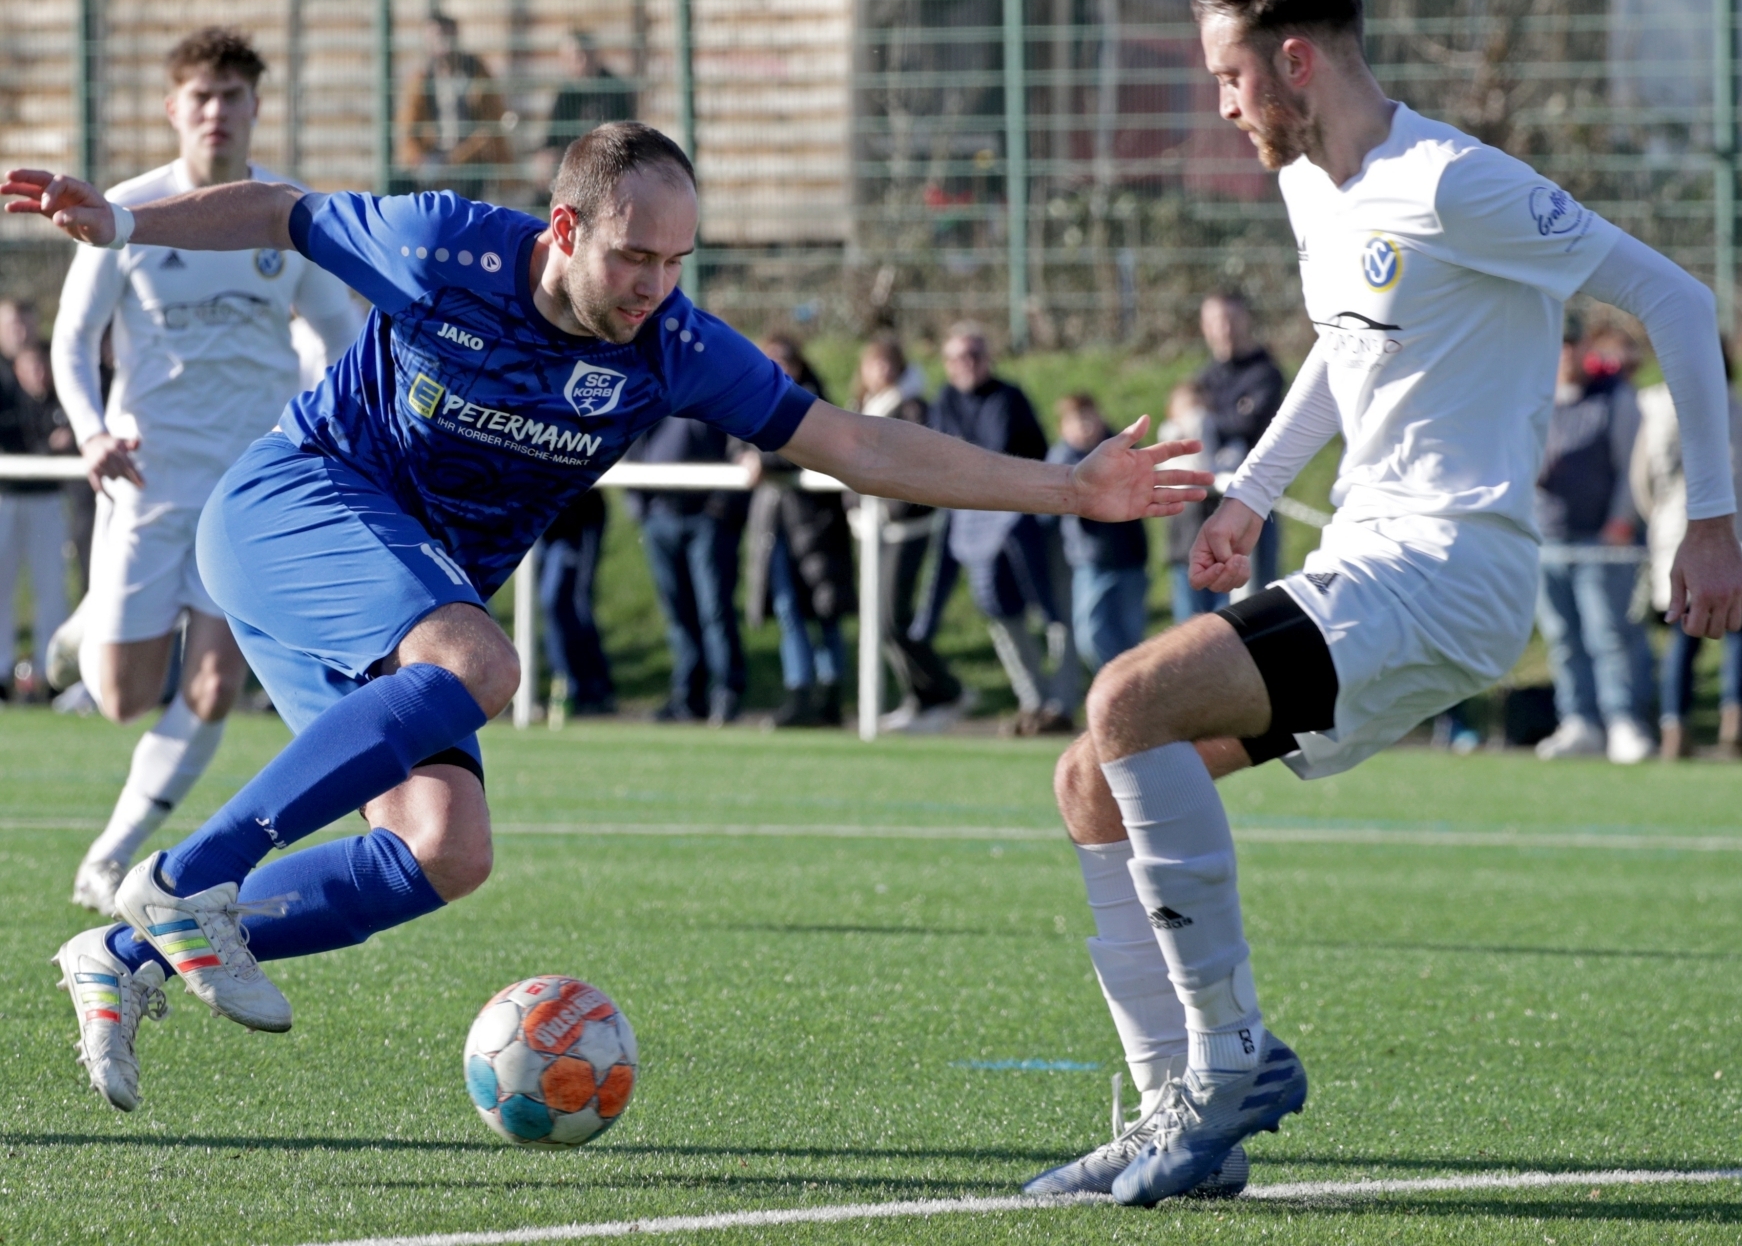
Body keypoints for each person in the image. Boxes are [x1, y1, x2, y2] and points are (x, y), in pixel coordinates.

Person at [9, 119, 1204, 1114]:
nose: (655, 286)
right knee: (481, 659)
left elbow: (852, 442)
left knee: (444, 851)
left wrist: (1065, 488)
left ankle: (117, 957)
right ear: (566, 231)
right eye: (636, 256)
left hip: (396, 596)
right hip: (294, 510)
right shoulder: (443, 248)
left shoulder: (671, 347)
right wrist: (121, 221)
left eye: (678, 261)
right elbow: (280, 210)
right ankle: (182, 883)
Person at [1026, 0, 1742, 1208]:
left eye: (1229, 75)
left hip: (1453, 566)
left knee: (1127, 701)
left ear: (1296, 59)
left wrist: (1712, 520)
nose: (1222, 103)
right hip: (1371, 553)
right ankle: (1176, 1115)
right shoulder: (1316, 181)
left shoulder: (1455, 179)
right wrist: (1249, 493)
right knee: (1093, 780)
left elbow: (1679, 300)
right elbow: (1342, 345)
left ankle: (1232, 1055)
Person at [47, 28, 360, 916]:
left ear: (256, 108)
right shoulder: (127, 211)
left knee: (217, 681)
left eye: (234, 95)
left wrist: (338, 435)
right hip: (147, 480)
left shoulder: (281, 216)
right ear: (172, 108)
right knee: (120, 697)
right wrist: (90, 430)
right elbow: (74, 341)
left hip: (250, 484)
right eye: (202, 96)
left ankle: (110, 856)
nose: (217, 111)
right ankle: (81, 632)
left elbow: (338, 338)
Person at [931, 324, 1082, 736]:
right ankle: (1031, 700)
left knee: (1056, 611)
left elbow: (988, 458)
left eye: (975, 355)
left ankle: (1062, 705)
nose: (969, 364)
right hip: (980, 527)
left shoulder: (1008, 397)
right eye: (959, 357)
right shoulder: (944, 400)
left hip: (1033, 521)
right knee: (998, 612)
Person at [1531, 316, 1655, 762]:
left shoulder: (1615, 396)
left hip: (1603, 539)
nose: (1564, 355)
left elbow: (1631, 466)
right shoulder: (1533, 395)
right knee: (1563, 635)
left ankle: (1623, 719)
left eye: (1571, 345)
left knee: (1610, 633)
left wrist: (1621, 520)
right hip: (1547, 537)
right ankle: (1579, 720)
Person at [1634, 337, 1742, 760]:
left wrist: (1661, 517)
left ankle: (1674, 726)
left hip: (1675, 536)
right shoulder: (1741, 410)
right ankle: (1733, 719)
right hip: (1736, 536)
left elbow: (1642, 480)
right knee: (1739, 633)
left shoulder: (1656, 406)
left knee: (1682, 636)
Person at [850, 334, 965, 733]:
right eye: (873, 362)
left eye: (887, 362)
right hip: (871, 529)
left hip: (906, 529)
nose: (880, 370)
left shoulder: (912, 407)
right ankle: (921, 697)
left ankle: (944, 693)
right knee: (879, 620)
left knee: (891, 620)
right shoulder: (862, 407)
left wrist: (892, 504)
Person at [743, 335, 854, 729]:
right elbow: (735, 443)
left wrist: (765, 462)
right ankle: (800, 691)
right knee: (789, 610)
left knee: (824, 613)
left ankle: (829, 695)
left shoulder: (813, 398)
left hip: (815, 526)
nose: (778, 364)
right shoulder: (746, 393)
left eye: (785, 358)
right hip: (774, 526)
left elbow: (805, 447)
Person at [624, 415, 748, 726]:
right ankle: (688, 697)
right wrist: (642, 509)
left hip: (707, 518)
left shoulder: (714, 388)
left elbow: (739, 447)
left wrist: (722, 506)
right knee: (678, 612)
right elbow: (631, 443)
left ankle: (726, 692)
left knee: (714, 610)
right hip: (660, 517)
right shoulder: (653, 389)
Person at [1050, 394, 1149, 671]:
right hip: (1090, 562)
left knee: (1132, 635)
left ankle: (1135, 687)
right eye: (1075, 420)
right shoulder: (1061, 459)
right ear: (1062, 428)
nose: (1084, 426)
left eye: (1088, 417)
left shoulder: (1123, 451)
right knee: (1091, 635)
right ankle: (1117, 678)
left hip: (1130, 558)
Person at [0, 338, 74, 700]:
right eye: (31, 366)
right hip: (6, 499)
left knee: (51, 588)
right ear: (17, 369)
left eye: (43, 366)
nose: (39, 374)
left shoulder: (63, 404)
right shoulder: (8, 402)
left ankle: (51, 677)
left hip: (48, 501)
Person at [1196, 292, 1284, 593]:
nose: (1224, 329)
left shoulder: (1266, 375)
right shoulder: (1204, 377)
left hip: (1254, 504)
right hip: (1202, 508)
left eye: (1231, 320)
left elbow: (1245, 425)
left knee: (1250, 605)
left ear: (1246, 321)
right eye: (1216, 322)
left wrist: (1208, 420)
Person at [397, 13, 513, 198]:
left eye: (444, 35)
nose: (440, 41)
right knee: (398, 186)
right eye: (433, 36)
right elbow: (408, 126)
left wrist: (453, 160)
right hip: (431, 159)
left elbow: (490, 125)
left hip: (469, 159)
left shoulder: (476, 72)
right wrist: (419, 158)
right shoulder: (421, 78)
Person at [538, 489, 614, 722]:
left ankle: (591, 688)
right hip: (540, 519)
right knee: (550, 604)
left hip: (578, 516)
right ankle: (566, 685)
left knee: (570, 602)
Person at [1159, 380, 1222, 624]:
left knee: (1219, 612)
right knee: (1188, 615)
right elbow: (1198, 465)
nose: (1196, 414)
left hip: (1216, 545)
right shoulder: (1168, 439)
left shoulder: (1219, 436)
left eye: (1199, 407)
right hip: (1183, 546)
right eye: (1188, 407)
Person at [537, 32, 637, 181]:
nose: (581, 62)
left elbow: (622, 138)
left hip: (606, 166)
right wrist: (546, 157)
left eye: (584, 55)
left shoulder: (615, 89)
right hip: (571, 165)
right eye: (573, 58)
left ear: (595, 55)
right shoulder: (565, 93)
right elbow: (552, 139)